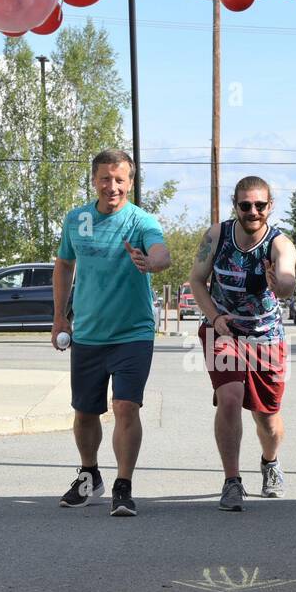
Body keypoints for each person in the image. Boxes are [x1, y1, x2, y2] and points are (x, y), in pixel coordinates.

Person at [52, 150, 170, 517]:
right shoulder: (77, 220)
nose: (112, 186)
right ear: (94, 181)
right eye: (105, 178)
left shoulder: (141, 221)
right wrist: (59, 317)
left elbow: (162, 253)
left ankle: (124, 485)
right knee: (85, 412)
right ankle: (90, 475)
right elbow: (64, 265)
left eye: (120, 180)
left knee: (125, 406)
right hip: (87, 333)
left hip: (133, 333)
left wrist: (151, 262)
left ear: (130, 183)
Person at [189, 176, 296, 511]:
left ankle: (270, 461)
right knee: (230, 399)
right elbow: (196, 279)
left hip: (266, 337)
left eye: (260, 205)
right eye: (245, 205)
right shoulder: (217, 236)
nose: (253, 211)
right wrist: (215, 317)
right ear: (234, 205)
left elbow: (287, 283)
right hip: (224, 331)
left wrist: (278, 283)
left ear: (270, 206)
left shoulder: (279, 244)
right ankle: (232, 481)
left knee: (267, 418)